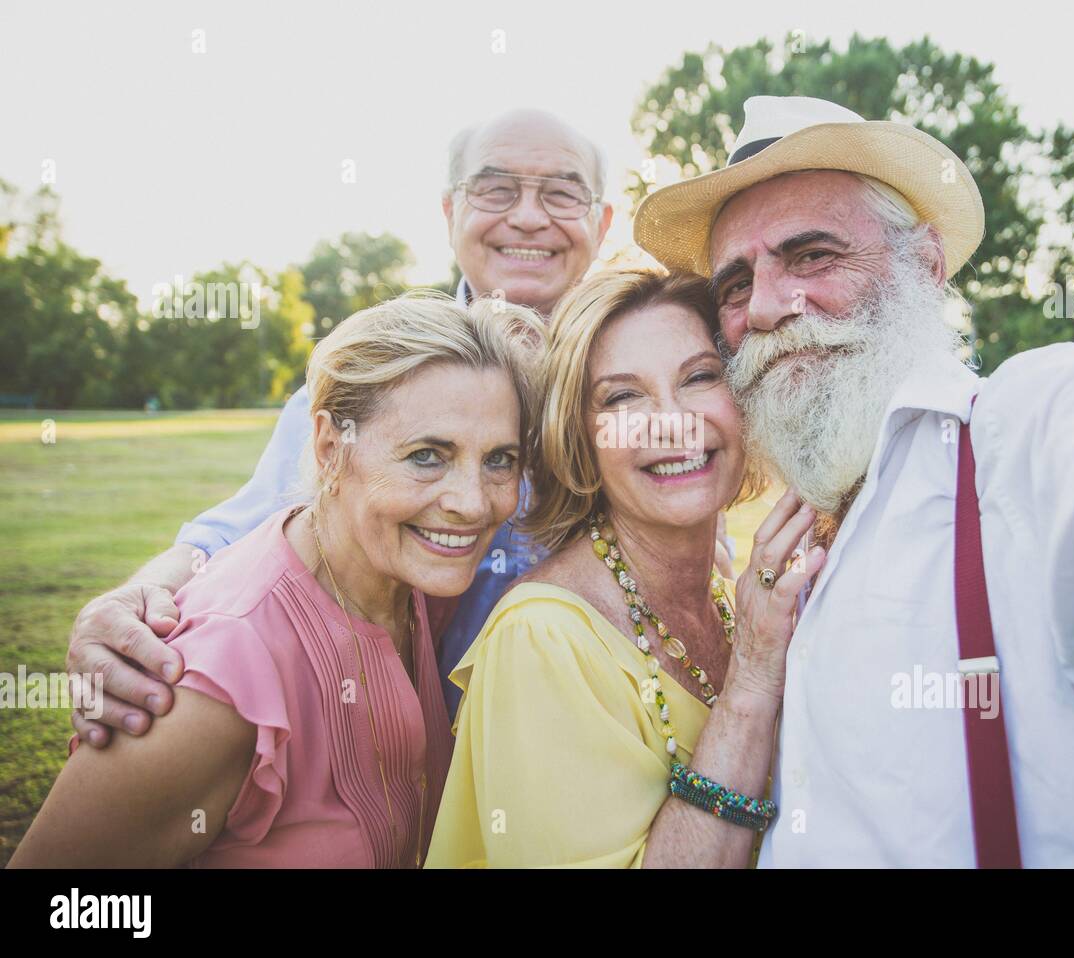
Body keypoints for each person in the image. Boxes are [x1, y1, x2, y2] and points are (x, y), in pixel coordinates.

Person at [633, 94, 1074, 867]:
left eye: (812, 254)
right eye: (736, 284)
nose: (772, 307)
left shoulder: (1036, 423)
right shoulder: (793, 539)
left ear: (925, 261)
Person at [63, 108, 614, 747]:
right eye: (495, 188)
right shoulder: (378, 368)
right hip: (388, 762)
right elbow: (236, 535)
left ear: (601, 222)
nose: (526, 215)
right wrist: (139, 596)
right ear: (449, 213)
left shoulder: (637, 379)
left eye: (562, 192)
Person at [10, 291, 543, 867]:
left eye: (499, 460)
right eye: (426, 456)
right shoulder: (212, 682)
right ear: (329, 445)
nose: (471, 503)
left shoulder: (406, 583)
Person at [427, 269, 823, 867]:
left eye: (699, 377)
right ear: (579, 438)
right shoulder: (540, 640)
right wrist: (750, 683)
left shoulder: (722, 598)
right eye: (622, 397)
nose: (672, 420)